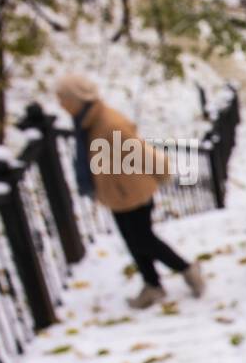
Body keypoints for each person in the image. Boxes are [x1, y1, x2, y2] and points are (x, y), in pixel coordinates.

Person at [54, 74, 205, 309]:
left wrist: (163, 173)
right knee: (133, 241)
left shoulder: (108, 124)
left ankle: (186, 269)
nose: (60, 104)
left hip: (133, 192)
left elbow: (142, 153)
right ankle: (152, 284)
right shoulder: (87, 123)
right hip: (117, 192)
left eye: (63, 98)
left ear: (76, 99)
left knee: (144, 240)